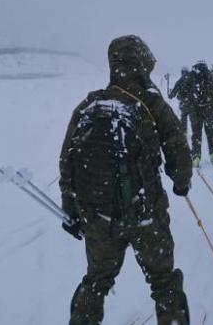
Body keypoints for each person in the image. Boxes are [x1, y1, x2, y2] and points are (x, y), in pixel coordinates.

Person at [59, 35, 193, 325]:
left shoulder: (90, 104)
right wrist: (181, 181)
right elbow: (177, 145)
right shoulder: (151, 102)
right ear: (142, 62)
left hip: (99, 218)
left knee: (96, 281)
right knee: (164, 282)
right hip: (146, 215)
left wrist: (70, 208)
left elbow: (67, 159)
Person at [182, 60, 213, 167]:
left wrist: (188, 102)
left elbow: (183, 92)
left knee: (196, 133)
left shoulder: (190, 76)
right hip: (208, 108)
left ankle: (196, 156)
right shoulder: (210, 76)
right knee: (210, 130)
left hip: (194, 109)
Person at [168, 67, 191, 132]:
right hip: (192, 102)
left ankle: (184, 131)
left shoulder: (180, 81)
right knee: (194, 117)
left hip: (183, 101)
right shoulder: (192, 79)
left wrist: (170, 95)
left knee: (184, 116)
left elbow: (174, 92)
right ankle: (196, 131)